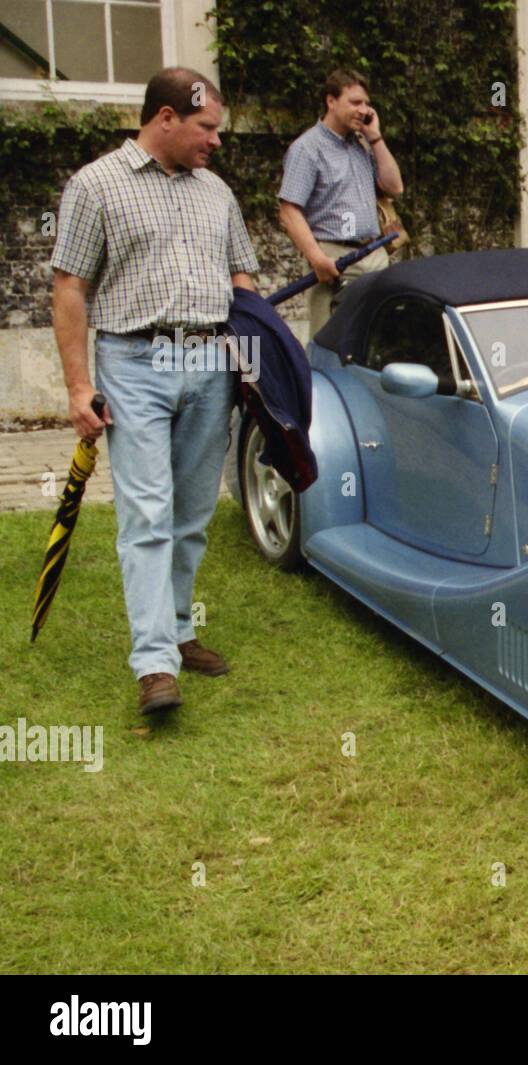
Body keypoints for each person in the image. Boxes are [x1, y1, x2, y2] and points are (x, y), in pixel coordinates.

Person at [50, 67, 260, 714]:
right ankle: (153, 664)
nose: (216, 142)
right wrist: (81, 385)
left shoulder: (216, 192)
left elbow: (244, 278)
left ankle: (178, 628)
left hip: (209, 364)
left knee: (193, 511)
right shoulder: (95, 185)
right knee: (146, 513)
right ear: (165, 118)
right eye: (206, 128)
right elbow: (69, 289)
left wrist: (256, 368)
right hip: (134, 362)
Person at [279, 69, 404, 336]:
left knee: (373, 344)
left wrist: (376, 138)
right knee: (331, 343)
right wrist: (317, 258)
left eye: (366, 103)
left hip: (375, 255)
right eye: (355, 102)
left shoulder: (362, 143)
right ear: (331, 101)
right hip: (334, 259)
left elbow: (395, 187)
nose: (363, 109)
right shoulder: (307, 148)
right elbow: (289, 210)